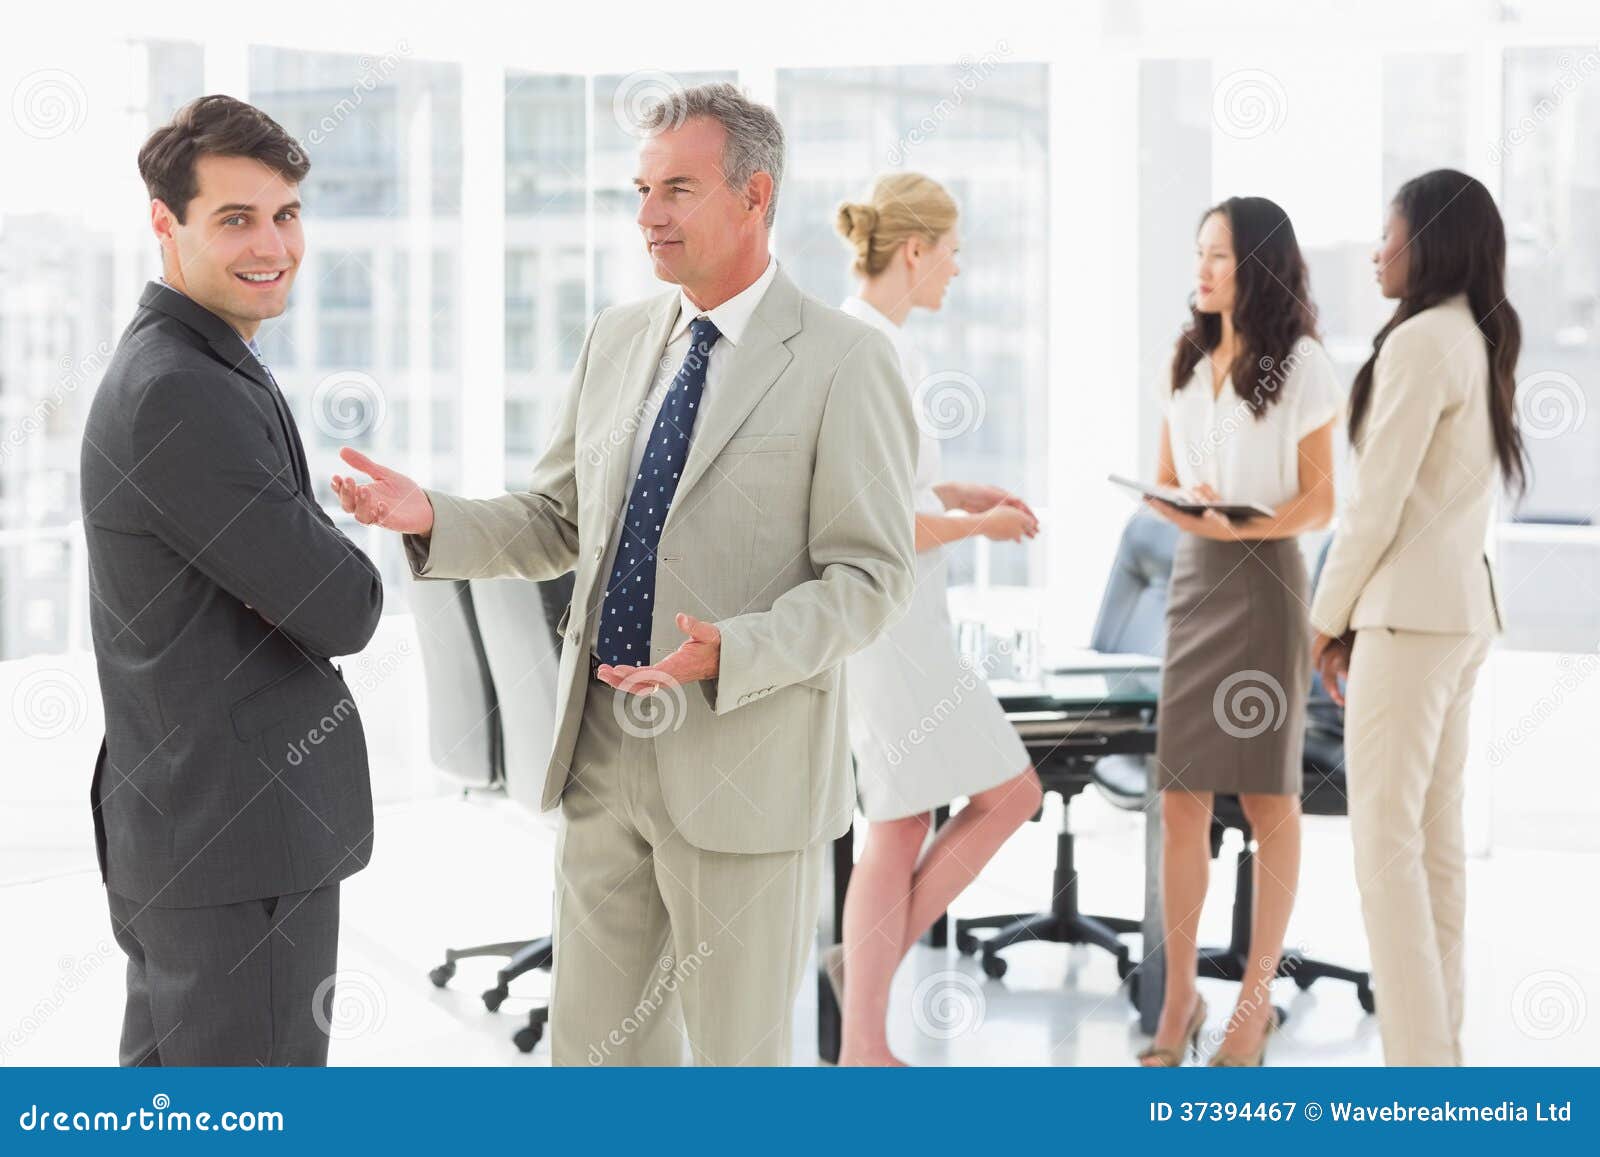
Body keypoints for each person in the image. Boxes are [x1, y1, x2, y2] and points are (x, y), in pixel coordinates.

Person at [330, 83, 917, 1066]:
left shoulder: (843, 359)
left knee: (736, 1065)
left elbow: (871, 576)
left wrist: (736, 649)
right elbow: (560, 520)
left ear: (754, 195)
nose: (648, 214)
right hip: (602, 749)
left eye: (676, 189)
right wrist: (432, 515)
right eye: (641, 190)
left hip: (745, 761)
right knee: (596, 1059)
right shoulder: (618, 336)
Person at [81, 95, 384, 1065]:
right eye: (236, 218)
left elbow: (289, 576)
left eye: (286, 213)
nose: (273, 245)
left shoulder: (193, 361)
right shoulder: (182, 389)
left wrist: (297, 547)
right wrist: (323, 546)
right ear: (166, 223)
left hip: (193, 828)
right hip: (235, 837)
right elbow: (343, 605)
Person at [823, 173, 1043, 1066]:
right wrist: (980, 527)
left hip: (903, 622)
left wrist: (956, 491)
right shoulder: (869, 351)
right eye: (951, 251)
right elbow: (881, 521)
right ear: (914, 250)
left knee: (907, 819)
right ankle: (863, 1026)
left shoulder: (875, 343)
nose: (957, 267)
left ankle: (863, 1005)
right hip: (891, 627)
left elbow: (892, 486)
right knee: (980, 801)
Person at [1310, 169, 1521, 1066]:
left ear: (1427, 242)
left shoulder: (1421, 341)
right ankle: (1439, 1067)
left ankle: (1417, 1073)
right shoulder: (1474, 337)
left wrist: (1322, 620)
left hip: (1406, 622)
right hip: (1459, 616)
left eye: (1387, 234)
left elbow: (1375, 505)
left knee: (1386, 854)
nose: (1375, 252)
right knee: (1433, 851)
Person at [1140, 196, 1339, 1066]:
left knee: (1267, 797)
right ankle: (1179, 998)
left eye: (1218, 254)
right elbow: (1162, 478)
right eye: (1199, 252)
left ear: (1256, 264)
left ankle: (1252, 1011)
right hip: (1195, 579)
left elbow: (1321, 498)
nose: (1202, 268)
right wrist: (1186, 505)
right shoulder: (1184, 358)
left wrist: (1245, 524)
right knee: (1179, 797)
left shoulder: (1302, 364)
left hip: (1265, 583)